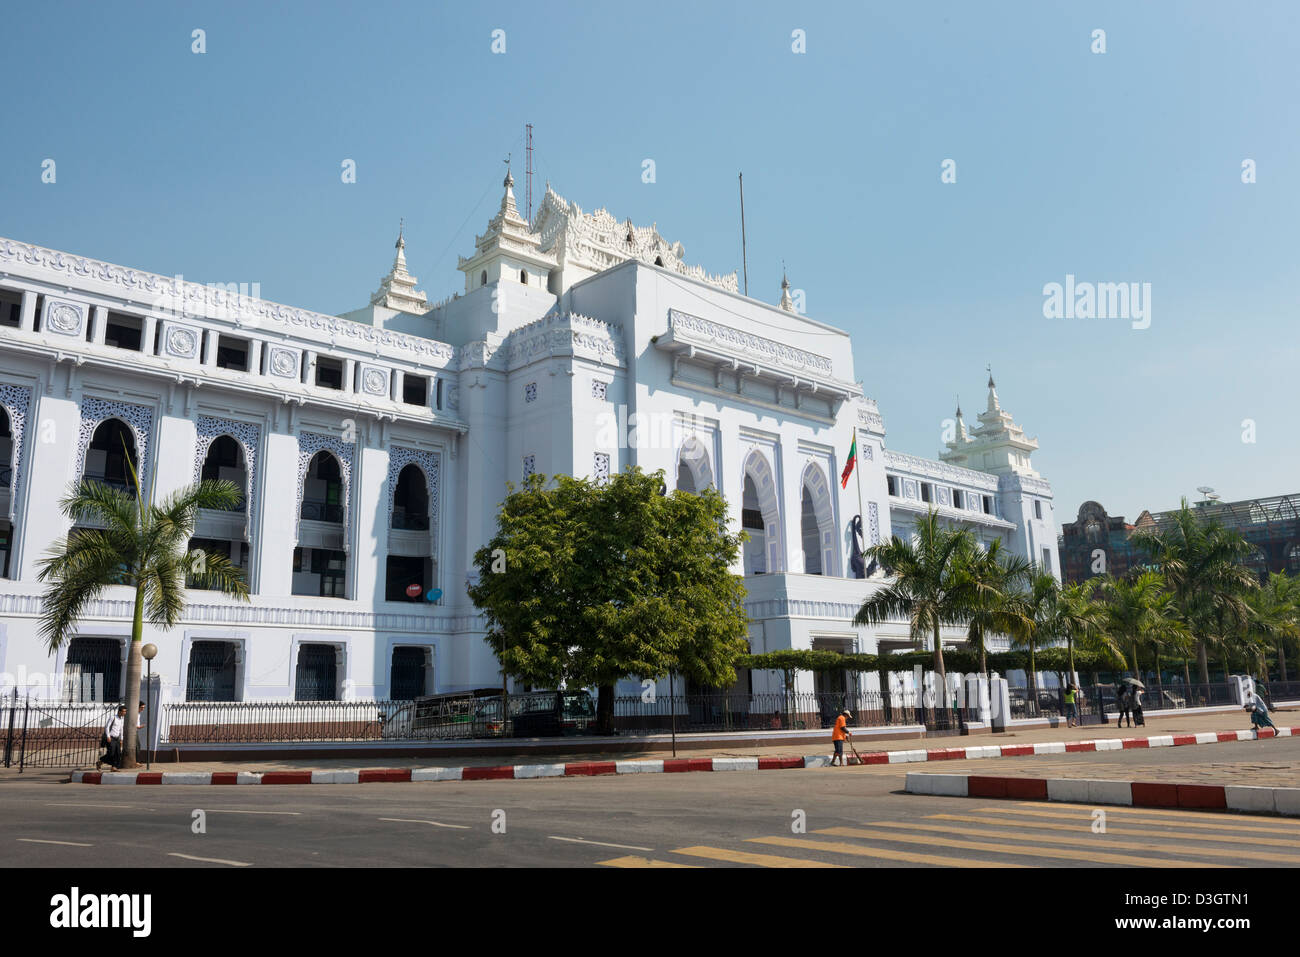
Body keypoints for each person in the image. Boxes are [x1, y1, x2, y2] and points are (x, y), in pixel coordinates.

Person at [97, 705, 127, 771]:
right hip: (111, 738)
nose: (125, 713)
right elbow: (107, 727)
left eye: (125, 711)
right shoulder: (113, 718)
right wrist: (108, 736)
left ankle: (114, 767)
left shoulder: (122, 719)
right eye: (124, 711)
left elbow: (121, 729)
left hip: (117, 739)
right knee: (111, 753)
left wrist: (121, 738)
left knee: (118, 753)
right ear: (119, 711)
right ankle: (100, 762)